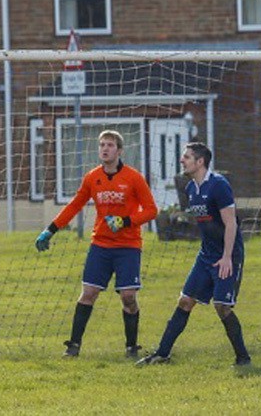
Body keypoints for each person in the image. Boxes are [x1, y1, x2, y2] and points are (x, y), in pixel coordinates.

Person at [35, 130, 157, 358]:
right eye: (102, 145)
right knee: (88, 293)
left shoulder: (134, 177)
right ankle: (73, 346)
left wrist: (126, 221)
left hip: (128, 247)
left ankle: (131, 347)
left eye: (110, 145)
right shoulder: (92, 177)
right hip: (100, 245)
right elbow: (74, 206)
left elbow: (151, 210)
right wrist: (49, 230)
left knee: (128, 297)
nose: (105, 149)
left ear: (119, 151)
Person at [137, 142, 250, 367]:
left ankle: (243, 358)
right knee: (185, 301)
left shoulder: (219, 185)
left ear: (200, 162)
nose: (182, 160)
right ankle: (162, 354)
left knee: (221, 306)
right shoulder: (190, 189)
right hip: (206, 255)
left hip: (227, 255)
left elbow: (231, 224)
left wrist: (227, 257)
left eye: (187, 157)